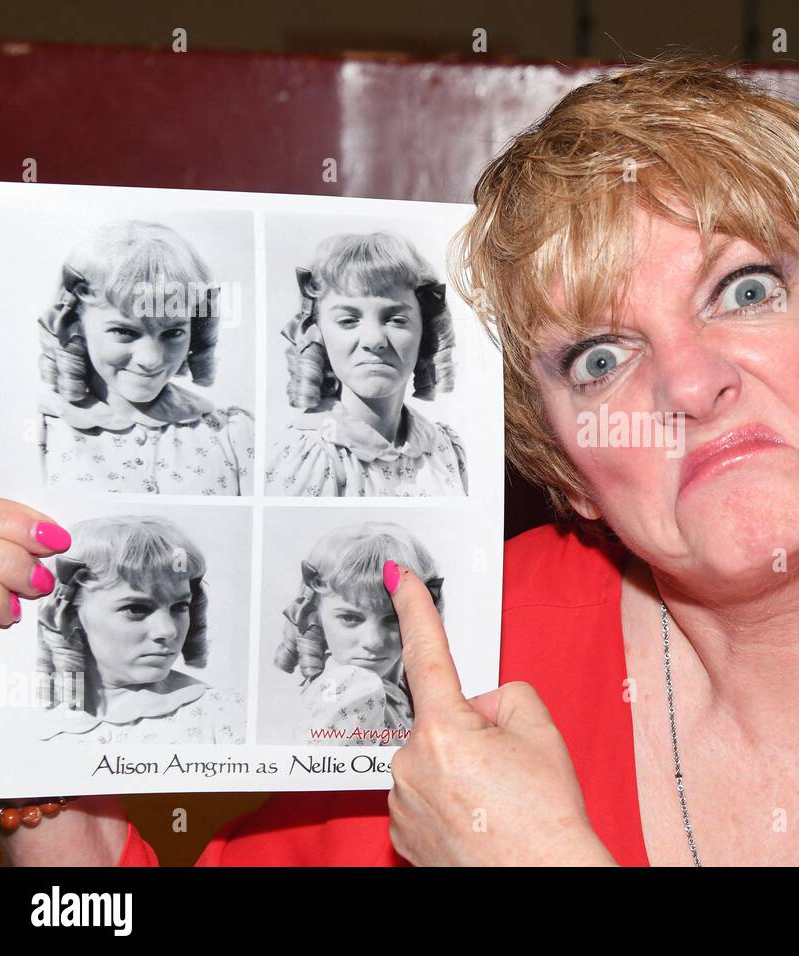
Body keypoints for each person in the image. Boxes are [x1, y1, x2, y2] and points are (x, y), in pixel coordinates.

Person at [0, 55, 799, 865]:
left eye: (744, 287)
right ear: (570, 471)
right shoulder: (443, 649)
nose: (689, 383)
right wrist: (65, 820)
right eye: (598, 355)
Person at [36, 220, 254, 495]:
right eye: (124, 331)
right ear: (73, 323)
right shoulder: (45, 432)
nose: (151, 359)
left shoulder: (229, 433)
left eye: (173, 332)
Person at [263, 232, 469, 497]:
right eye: (348, 321)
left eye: (395, 319)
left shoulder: (444, 448)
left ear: (424, 332)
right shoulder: (310, 455)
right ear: (317, 333)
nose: (374, 341)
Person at [30, 515, 244, 746]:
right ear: (66, 615)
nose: (168, 630)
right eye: (136, 608)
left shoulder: (224, 715)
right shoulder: (24, 726)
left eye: (179, 607)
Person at [272, 522, 444, 747]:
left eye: (394, 618)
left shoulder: (394, 690)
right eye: (350, 618)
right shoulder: (356, 688)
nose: (373, 641)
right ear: (313, 615)